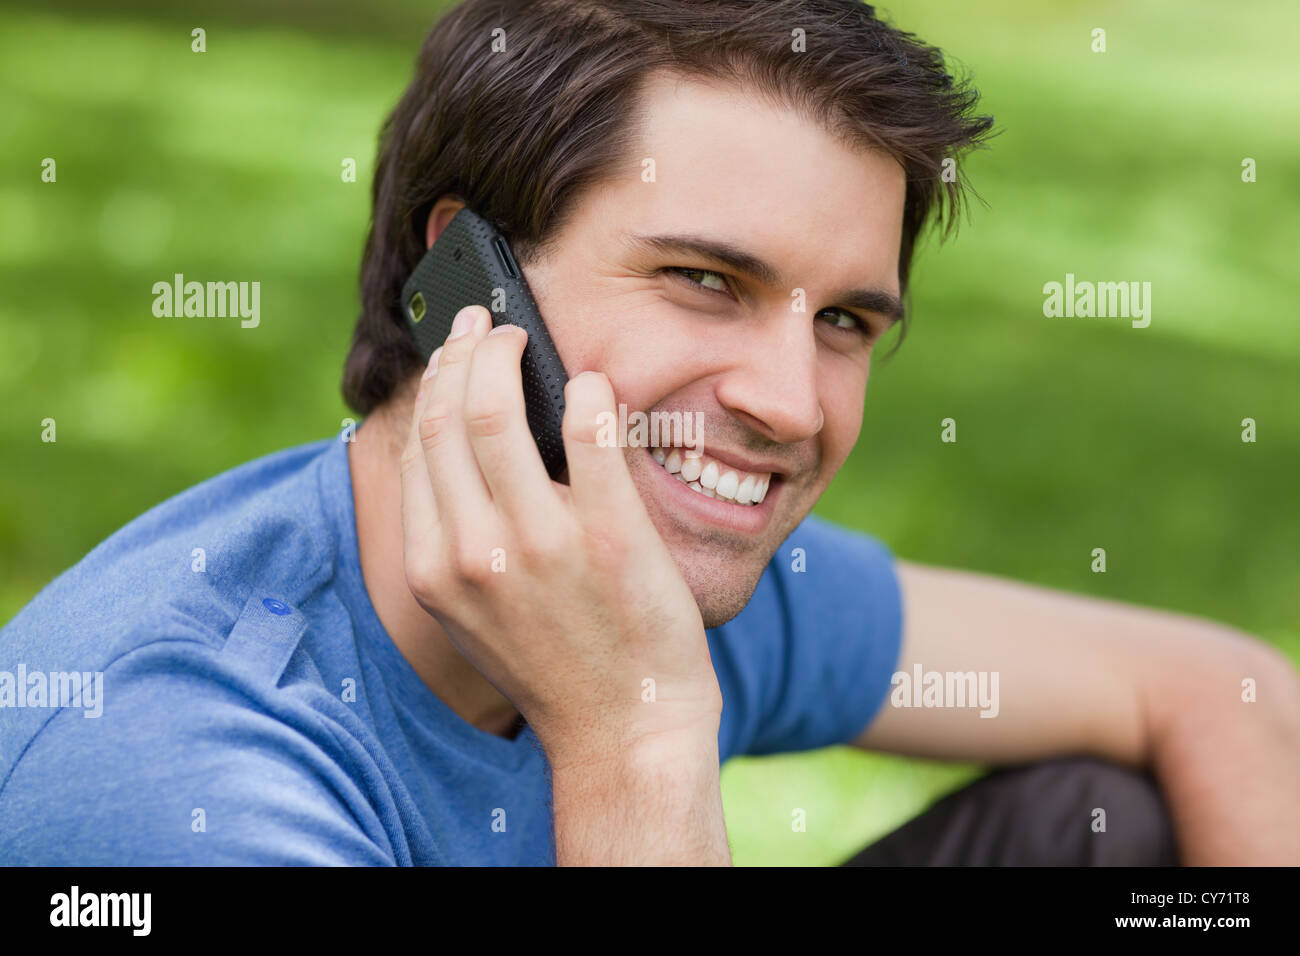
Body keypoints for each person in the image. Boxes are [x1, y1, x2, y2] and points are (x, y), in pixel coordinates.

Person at [2, 0, 1296, 866]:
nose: (792, 403)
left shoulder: (646, 545)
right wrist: (637, 733)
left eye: (844, 318)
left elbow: (1222, 692)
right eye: (704, 281)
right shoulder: (181, 776)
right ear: (469, 283)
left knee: (1105, 827)